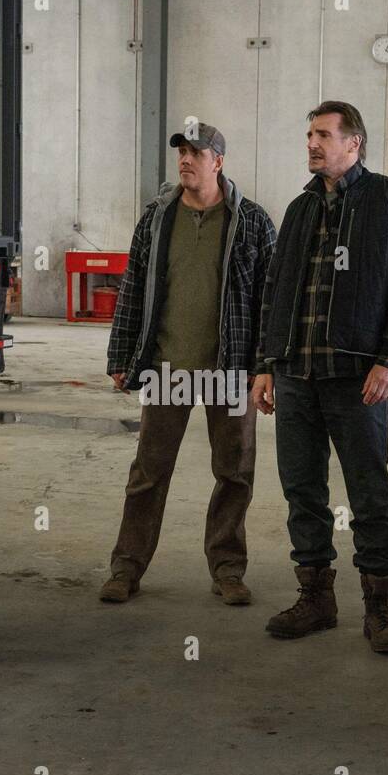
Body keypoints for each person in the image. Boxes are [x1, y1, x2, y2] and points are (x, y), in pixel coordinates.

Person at [251, 101, 388, 654]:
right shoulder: (300, 209)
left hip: (356, 376)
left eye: (323, 134)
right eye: (308, 134)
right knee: (302, 489)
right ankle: (317, 599)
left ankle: (378, 608)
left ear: (354, 144)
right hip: (296, 372)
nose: (312, 143)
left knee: (369, 491)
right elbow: (275, 290)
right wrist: (264, 363)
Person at [102, 122, 277, 605]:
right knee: (148, 472)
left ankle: (227, 570)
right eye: (181, 152)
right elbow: (133, 289)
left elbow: (270, 301)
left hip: (231, 369)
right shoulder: (156, 219)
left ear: (218, 161)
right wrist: (121, 356)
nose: (185, 160)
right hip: (167, 368)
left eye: (197, 153)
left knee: (234, 473)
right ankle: (126, 568)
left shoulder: (253, 223)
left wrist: (265, 367)